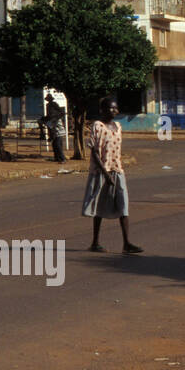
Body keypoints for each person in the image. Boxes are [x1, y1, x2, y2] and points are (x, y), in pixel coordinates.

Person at [82, 95, 142, 254]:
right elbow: (94, 152)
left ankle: (127, 243)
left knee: (124, 206)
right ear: (102, 110)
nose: (115, 110)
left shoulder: (118, 126)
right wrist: (105, 174)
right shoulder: (97, 126)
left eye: (116, 108)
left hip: (117, 170)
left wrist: (113, 172)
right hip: (101, 172)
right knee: (99, 208)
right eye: (112, 108)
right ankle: (95, 242)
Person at [41, 94, 66, 163]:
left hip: (56, 125)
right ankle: (57, 158)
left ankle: (62, 158)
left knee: (58, 144)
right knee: (55, 144)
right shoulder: (48, 106)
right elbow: (48, 116)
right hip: (52, 123)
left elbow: (61, 113)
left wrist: (54, 119)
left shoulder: (54, 105)